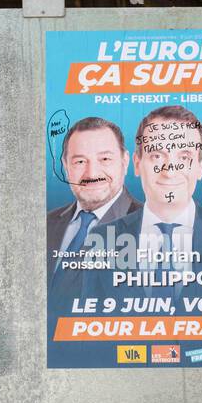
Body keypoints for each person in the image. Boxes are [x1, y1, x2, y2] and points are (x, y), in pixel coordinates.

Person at [86, 105, 202, 305]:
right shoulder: (102, 240)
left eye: (184, 157)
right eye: (156, 156)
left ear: (200, 167)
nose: (169, 171)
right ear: (137, 164)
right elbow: (89, 327)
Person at [46, 117, 141, 296]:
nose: (92, 173)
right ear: (65, 166)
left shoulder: (150, 225)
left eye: (105, 159)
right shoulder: (45, 224)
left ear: (125, 161)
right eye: (80, 162)